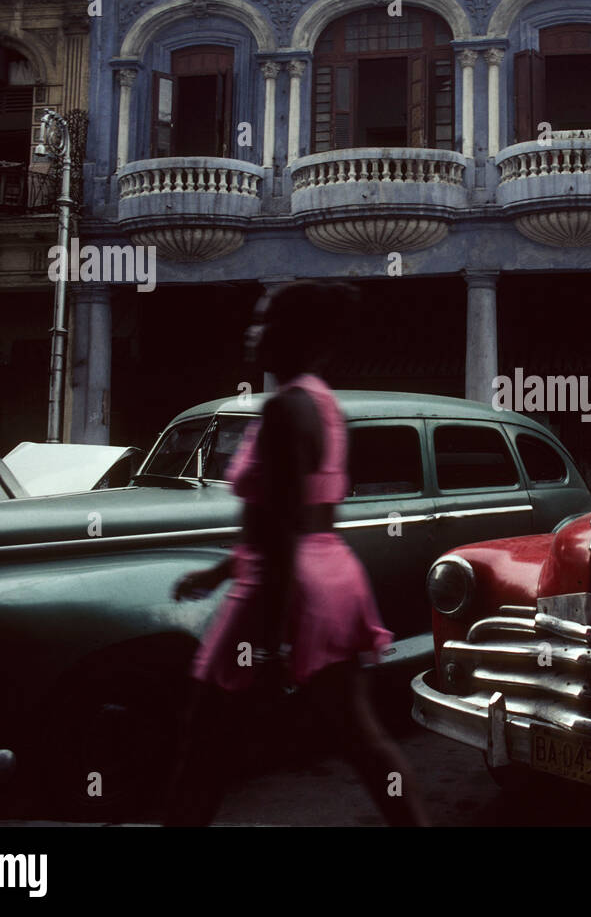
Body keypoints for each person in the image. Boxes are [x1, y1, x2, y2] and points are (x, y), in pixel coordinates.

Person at [165, 280, 429, 827]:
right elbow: (306, 516)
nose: (252, 330)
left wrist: (268, 647)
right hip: (332, 577)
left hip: (282, 585)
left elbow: (279, 531)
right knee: (360, 737)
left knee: (203, 741)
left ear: (296, 336)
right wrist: (218, 572)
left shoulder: (286, 409)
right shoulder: (322, 402)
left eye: (265, 321)